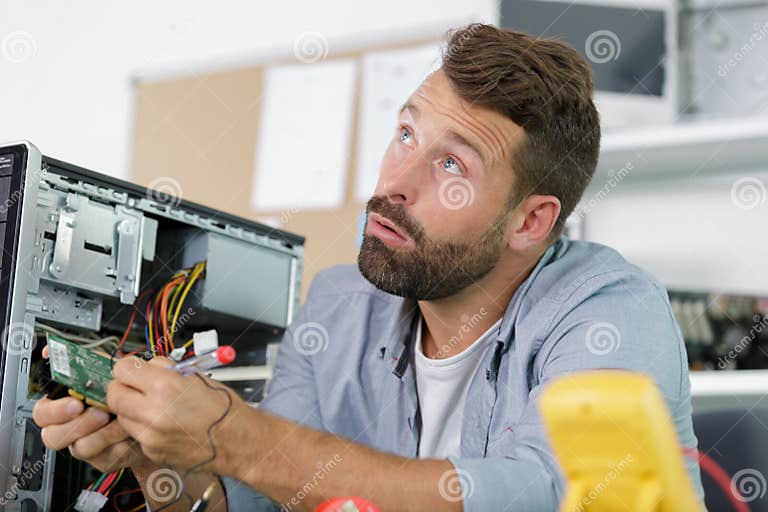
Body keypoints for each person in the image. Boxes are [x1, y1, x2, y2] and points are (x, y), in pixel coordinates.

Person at [33, 23, 704, 511]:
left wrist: (232, 435)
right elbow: (252, 501)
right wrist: (162, 462)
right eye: (406, 134)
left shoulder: (610, 308)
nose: (395, 182)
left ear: (531, 222)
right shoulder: (341, 302)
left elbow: (549, 497)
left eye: (452, 166)